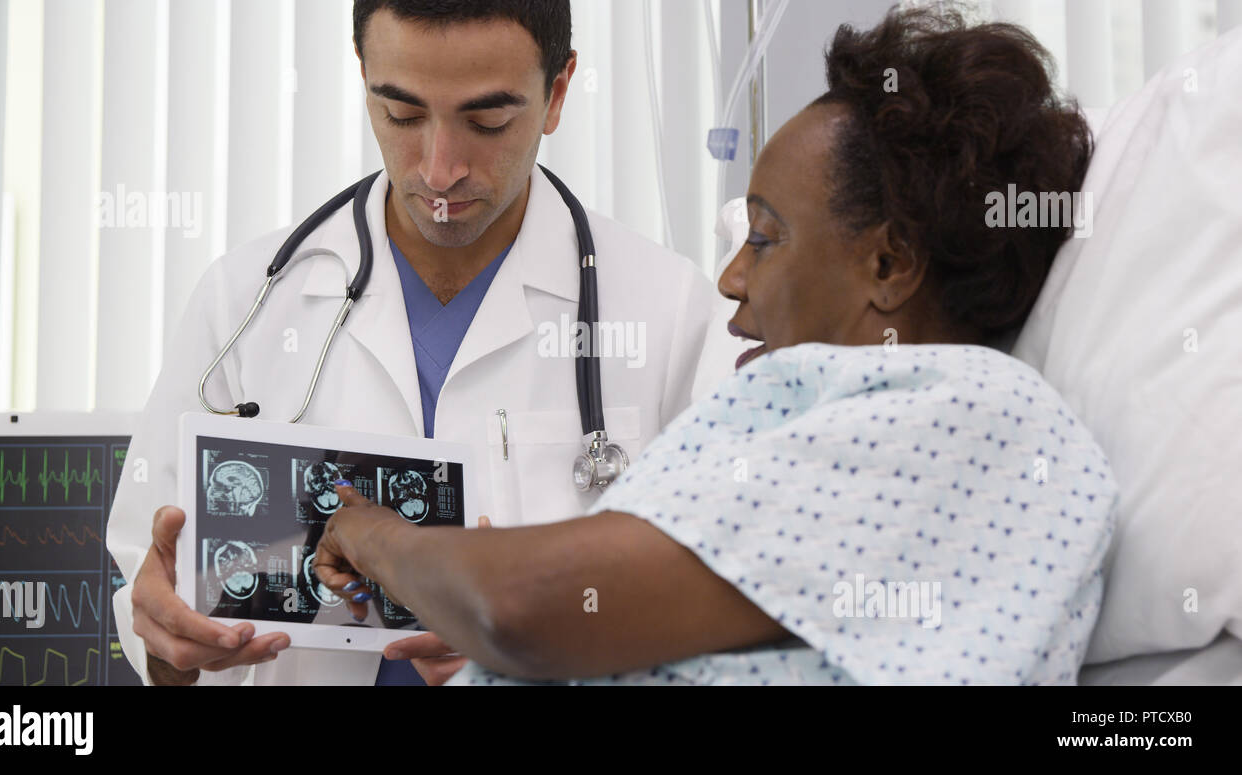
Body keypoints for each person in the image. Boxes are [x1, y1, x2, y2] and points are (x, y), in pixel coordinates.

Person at [311, 5, 1117, 685]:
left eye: (764, 237)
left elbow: (521, 606)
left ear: (888, 263)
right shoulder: (825, 426)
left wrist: (374, 536)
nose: (731, 275)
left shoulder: (964, 417)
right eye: (404, 112)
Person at [106, 0, 720, 686]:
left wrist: (540, 650)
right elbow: (148, 567)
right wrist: (167, 647)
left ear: (558, 93)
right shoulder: (245, 301)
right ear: (363, 73)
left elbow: (734, 618)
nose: (439, 170)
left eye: (487, 121)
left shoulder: (668, 316)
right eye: (400, 114)